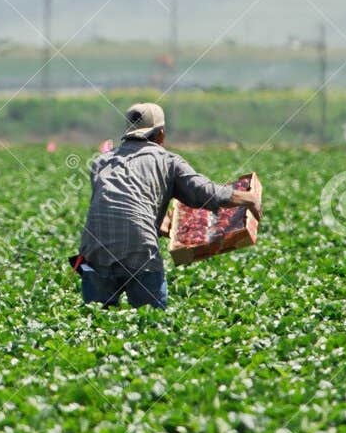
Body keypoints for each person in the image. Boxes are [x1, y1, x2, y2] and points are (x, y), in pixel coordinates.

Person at [76, 103, 260, 309]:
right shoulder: (168, 161)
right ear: (161, 135)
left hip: (94, 250)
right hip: (139, 250)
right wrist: (247, 198)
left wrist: (158, 221)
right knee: (152, 322)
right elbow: (204, 192)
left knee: (98, 319)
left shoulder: (101, 162)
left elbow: (118, 202)